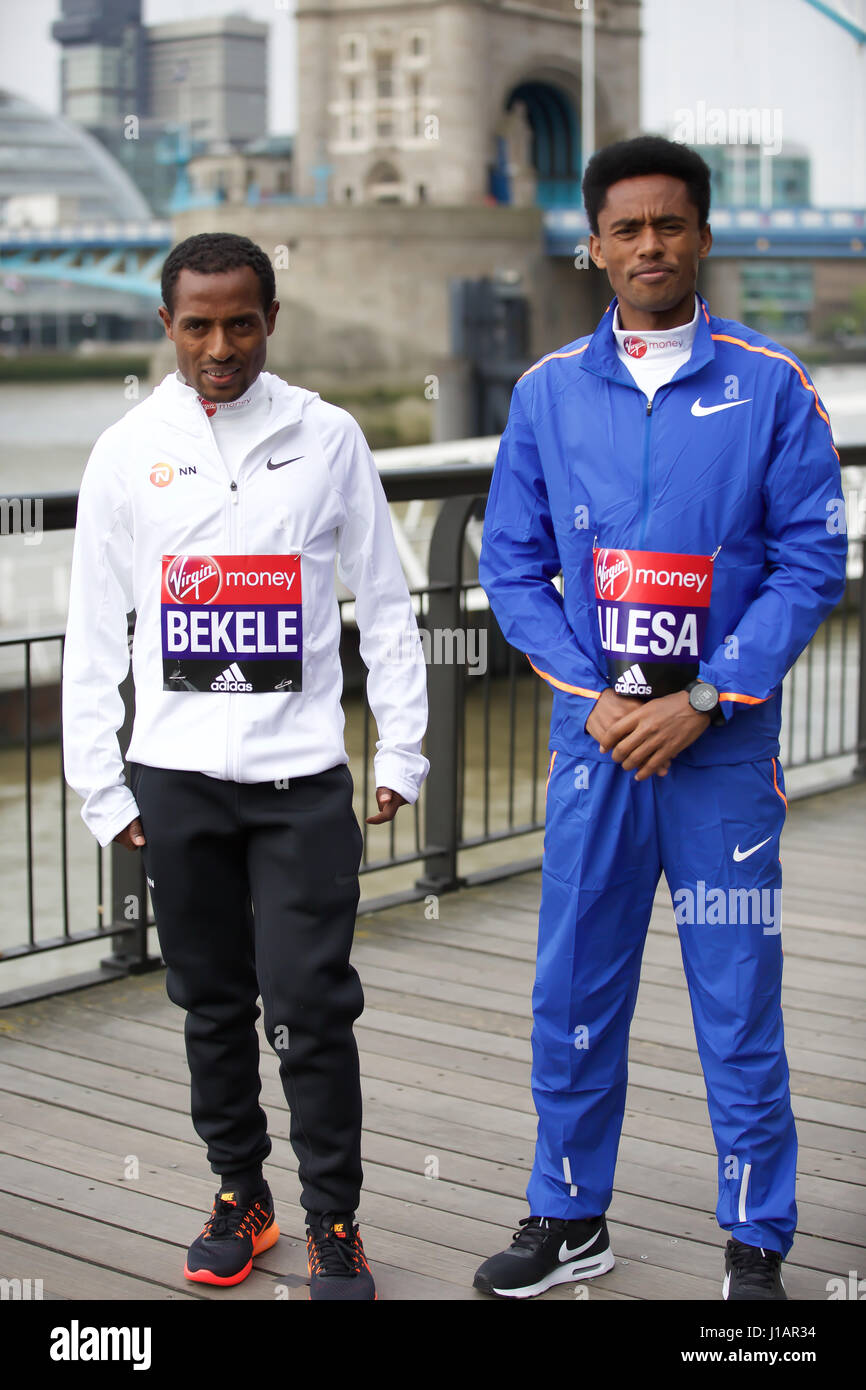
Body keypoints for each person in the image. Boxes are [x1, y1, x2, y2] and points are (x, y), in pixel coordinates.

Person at [475, 136, 847, 1301]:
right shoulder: (544, 392)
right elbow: (511, 565)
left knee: (736, 993)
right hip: (594, 751)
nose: (648, 245)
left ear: (701, 236)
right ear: (592, 246)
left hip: (718, 755)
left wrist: (702, 697)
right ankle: (567, 1214)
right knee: (573, 989)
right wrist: (593, 701)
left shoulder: (771, 385)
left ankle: (755, 1238)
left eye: (669, 224)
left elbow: (808, 562)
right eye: (625, 228)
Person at [62, 232, 429, 1301]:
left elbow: (385, 603)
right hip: (172, 783)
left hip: (300, 781)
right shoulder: (127, 448)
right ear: (167, 325)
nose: (219, 345)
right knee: (209, 1001)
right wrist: (103, 784)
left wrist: (399, 743)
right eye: (196, 324)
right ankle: (240, 1192)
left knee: (312, 1004)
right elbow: (95, 631)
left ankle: (334, 1222)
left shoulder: (328, 437)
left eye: (240, 321)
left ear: (271, 317)